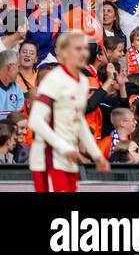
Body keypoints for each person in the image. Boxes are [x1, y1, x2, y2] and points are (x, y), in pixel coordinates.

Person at [28, 30, 109, 192]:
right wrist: (64, 148)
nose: (83, 53)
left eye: (85, 48)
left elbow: (78, 121)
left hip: (70, 159)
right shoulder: (53, 80)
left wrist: (96, 154)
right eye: (77, 49)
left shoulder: (82, 82)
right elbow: (36, 120)